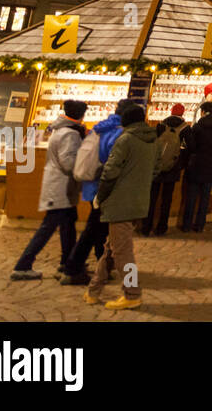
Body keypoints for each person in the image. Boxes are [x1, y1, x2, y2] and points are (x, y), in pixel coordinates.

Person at [84, 104, 155, 310]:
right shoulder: (151, 140)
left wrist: (101, 196)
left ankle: (132, 293)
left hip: (120, 204)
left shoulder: (125, 140)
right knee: (111, 249)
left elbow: (110, 172)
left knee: (124, 254)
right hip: (138, 202)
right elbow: (156, 168)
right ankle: (94, 290)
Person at [12, 100, 87, 280]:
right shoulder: (70, 134)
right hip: (61, 188)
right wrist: (84, 163)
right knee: (48, 227)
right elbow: (68, 162)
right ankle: (23, 265)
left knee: (68, 224)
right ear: (80, 115)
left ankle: (68, 262)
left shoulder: (60, 130)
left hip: (60, 187)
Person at [61, 98, 132, 285]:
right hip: (104, 189)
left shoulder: (99, 128)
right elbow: (113, 164)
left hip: (92, 186)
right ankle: (72, 268)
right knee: (94, 231)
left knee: (99, 230)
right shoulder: (119, 134)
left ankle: (103, 268)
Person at [179, 100, 212, 232]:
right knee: (205, 198)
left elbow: (191, 147)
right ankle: (200, 225)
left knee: (191, 197)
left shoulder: (197, 126)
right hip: (211, 165)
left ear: (202, 112)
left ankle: (186, 225)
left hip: (196, 165)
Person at [141, 103, 187, 236]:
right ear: (182, 113)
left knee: (152, 198)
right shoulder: (185, 128)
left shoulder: (161, 125)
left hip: (156, 167)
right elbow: (191, 146)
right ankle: (162, 227)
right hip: (172, 169)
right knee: (167, 200)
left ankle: (146, 226)